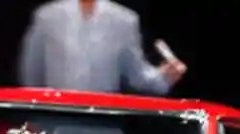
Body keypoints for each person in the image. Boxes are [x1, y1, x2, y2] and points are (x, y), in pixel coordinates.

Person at [17, 0, 186, 96]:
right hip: (54, 132)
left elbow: (138, 76)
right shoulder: (47, 17)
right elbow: (31, 73)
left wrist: (165, 76)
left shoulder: (124, 20)